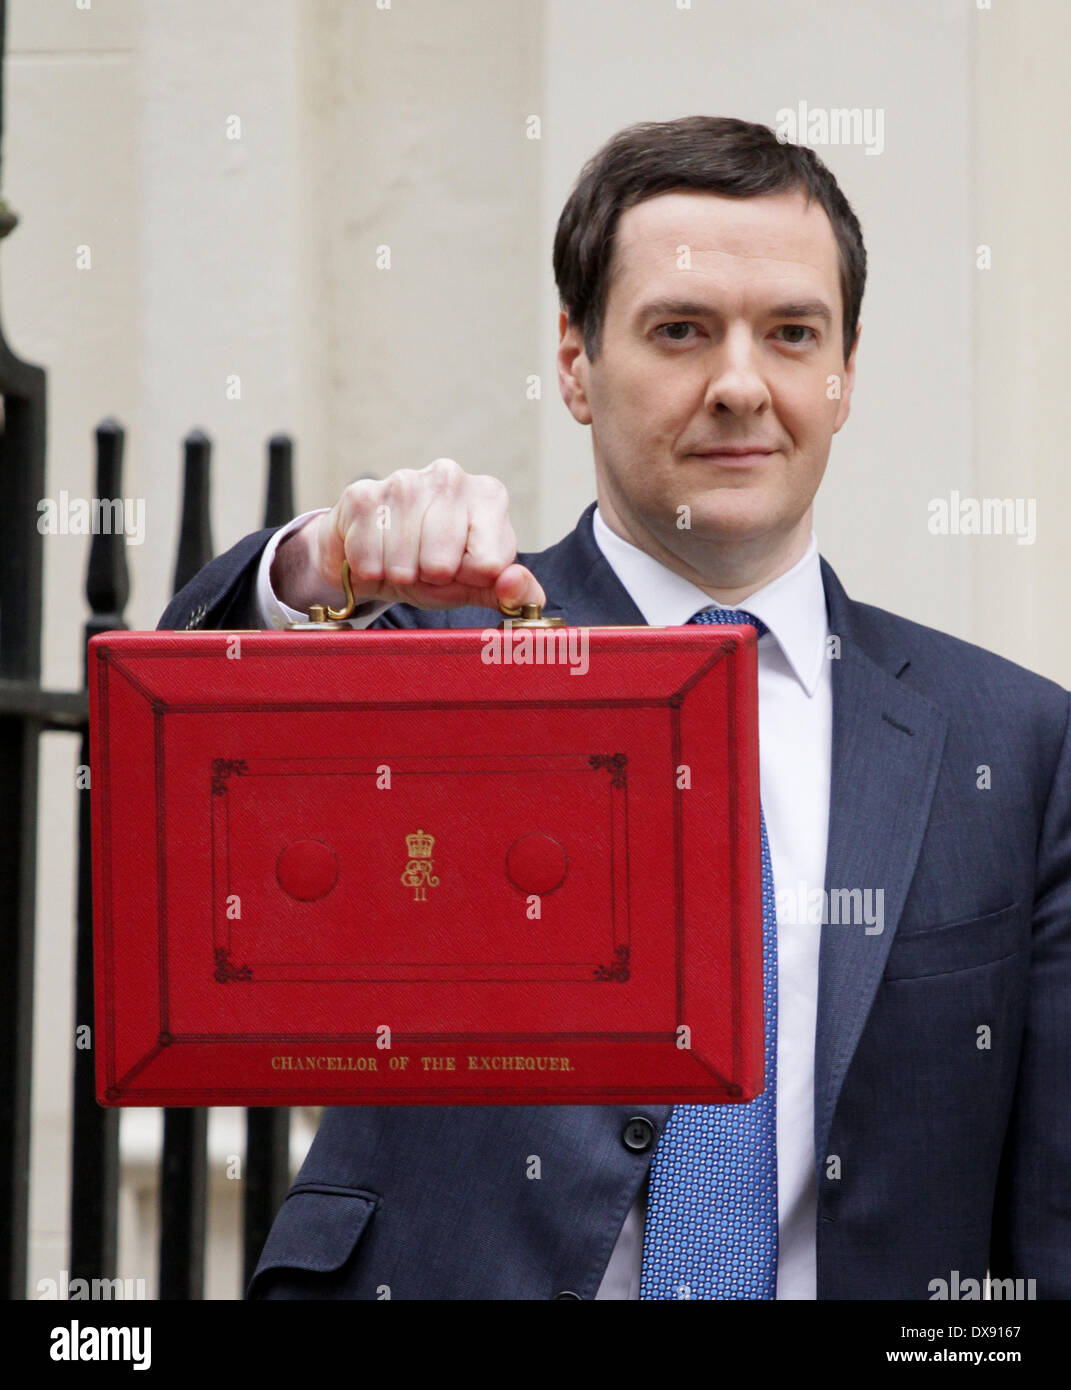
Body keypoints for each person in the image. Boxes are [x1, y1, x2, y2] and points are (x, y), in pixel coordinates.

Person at [159, 116, 1071, 1300]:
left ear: (844, 376)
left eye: (792, 334)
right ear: (577, 363)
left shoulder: (1013, 744)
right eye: (681, 331)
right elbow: (172, 772)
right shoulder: (425, 653)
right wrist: (316, 565)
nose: (741, 383)